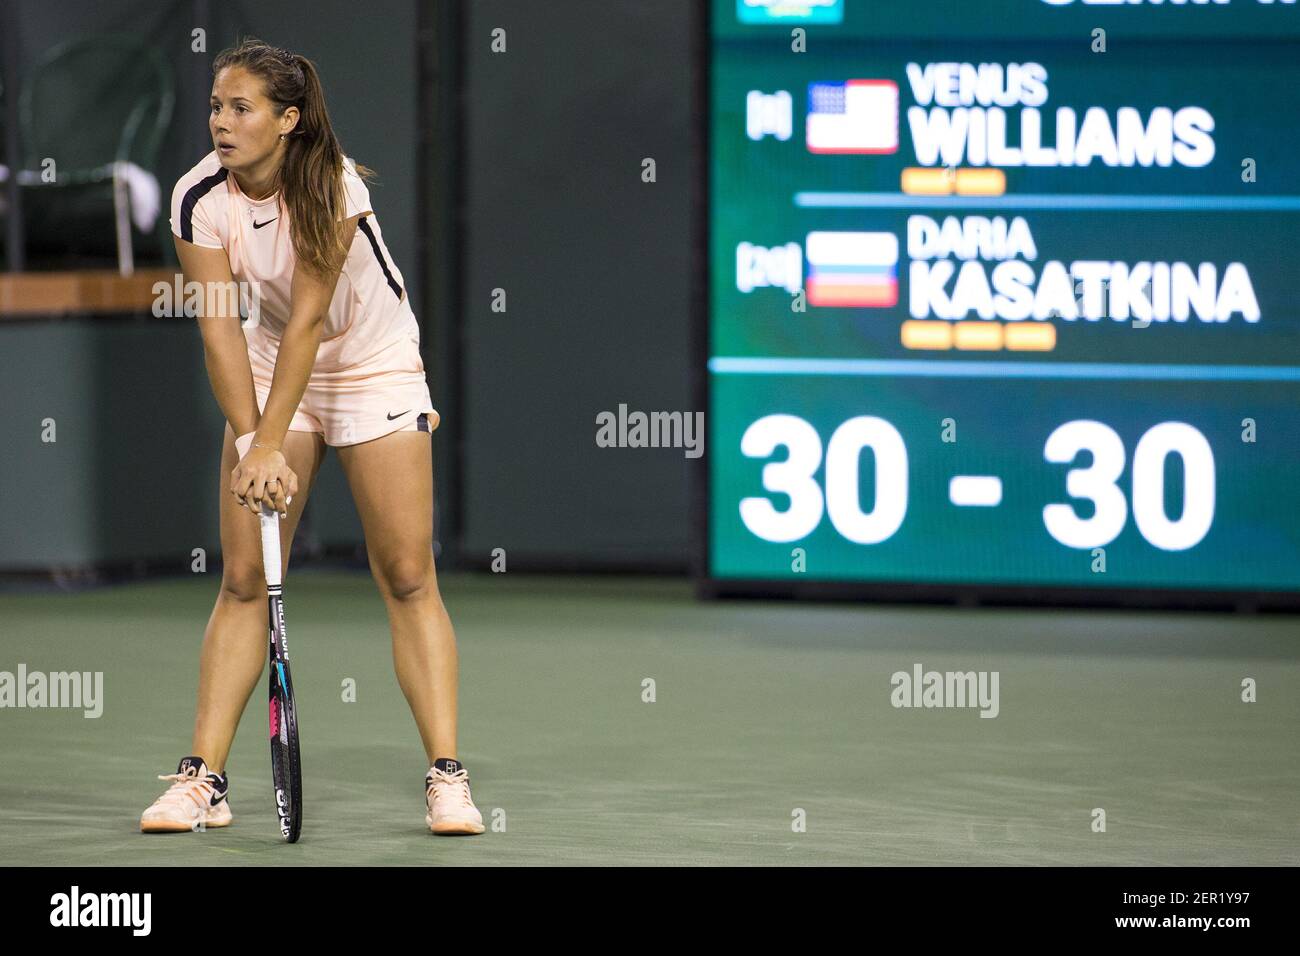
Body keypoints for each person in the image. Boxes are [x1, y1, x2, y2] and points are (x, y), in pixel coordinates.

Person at [140, 38, 483, 836]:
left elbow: (308, 326)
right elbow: (222, 332)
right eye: (217, 107)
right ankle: (204, 779)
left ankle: (446, 775)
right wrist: (249, 436)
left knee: (405, 572)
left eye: (242, 108)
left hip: (371, 361)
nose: (222, 123)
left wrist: (266, 444)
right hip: (264, 367)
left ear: (288, 120)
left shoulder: (331, 186)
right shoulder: (199, 197)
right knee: (241, 578)